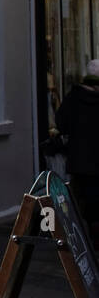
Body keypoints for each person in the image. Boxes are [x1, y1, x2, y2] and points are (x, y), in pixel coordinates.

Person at [56, 59, 99, 231]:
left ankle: (87, 230)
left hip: (79, 159)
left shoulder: (73, 97)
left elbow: (61, 124)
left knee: (83, 199)